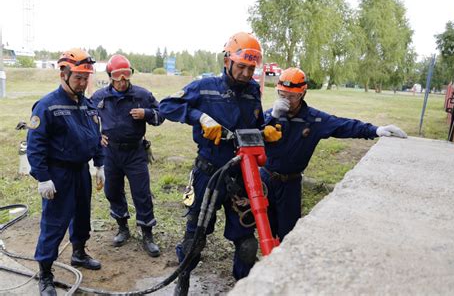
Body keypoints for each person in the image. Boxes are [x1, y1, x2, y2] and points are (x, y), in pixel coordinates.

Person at [159, 32, 282, 295]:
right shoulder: (205, 87)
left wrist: (268, 129)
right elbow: (166, 106)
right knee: (195, 240)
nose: (247, 73)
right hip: (208, 174)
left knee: (247, 244)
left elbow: (254, 125)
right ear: (227, 60)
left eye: (251, 68)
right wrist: (199, 117)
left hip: (242, 176)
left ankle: (243, 287)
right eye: (242, 66)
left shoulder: (252, 92)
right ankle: (182, 283)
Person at [261, 67, 407, 242]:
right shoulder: (270, 115)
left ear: (302, 94)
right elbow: (252, 135)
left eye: (291, 96)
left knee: (288, 233)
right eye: (282, 94)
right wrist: (273, 117)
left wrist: (376, 130)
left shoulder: (314, 120)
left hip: (290, 184)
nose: (286, 100)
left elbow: (343, 125)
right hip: (265, 179)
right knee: (264, 229)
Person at [27, 48, 105, 296]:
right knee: (54, 224)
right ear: (64, 74)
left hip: (81, 171)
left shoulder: (88, 105)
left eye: (86, 78)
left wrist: (100, 165)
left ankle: (79, 253)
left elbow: (96, 136)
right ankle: (45, 274)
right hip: (58, 174)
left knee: (82, 216)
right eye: (78, 78)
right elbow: (35, 145)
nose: (83, 83)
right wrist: (43, 177)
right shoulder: (47, 106)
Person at [91, 54, 165, 257]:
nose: (122, 81)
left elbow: (161, 116)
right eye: (118, 77)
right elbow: (86, 120)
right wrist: (97, 137)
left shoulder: (142, 96)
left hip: (135, 152)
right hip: (110, 153)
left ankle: (147, 234)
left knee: (141, 193)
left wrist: (147, 114)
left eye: (126, 76)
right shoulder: (98, 97)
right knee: (112, 191)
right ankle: (123, 227)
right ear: (109, 77)